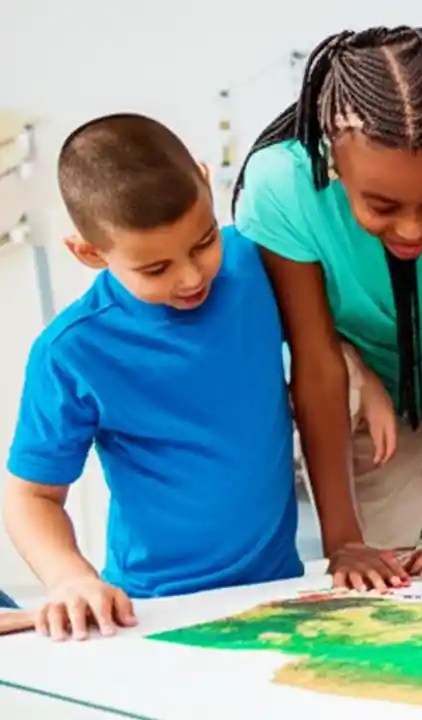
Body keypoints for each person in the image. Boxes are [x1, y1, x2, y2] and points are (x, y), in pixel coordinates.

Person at [232, 26, 422, 591]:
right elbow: (317, 362)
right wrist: (344, 541)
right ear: (333, 161)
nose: (412, 229)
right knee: (384, 581)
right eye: (382, 205)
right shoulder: (283, 184)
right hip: (357, 417)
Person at [2, 114, 302, 641]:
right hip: (155, 607)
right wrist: (70, 579)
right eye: (155, 269)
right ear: (89, 253)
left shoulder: (253, 261)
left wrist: (355, 370)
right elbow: (32, 498)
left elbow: (317, 334)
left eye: (203, 242)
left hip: (279, 589)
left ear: (206, 183)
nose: (191, 276)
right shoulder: (71, 352)